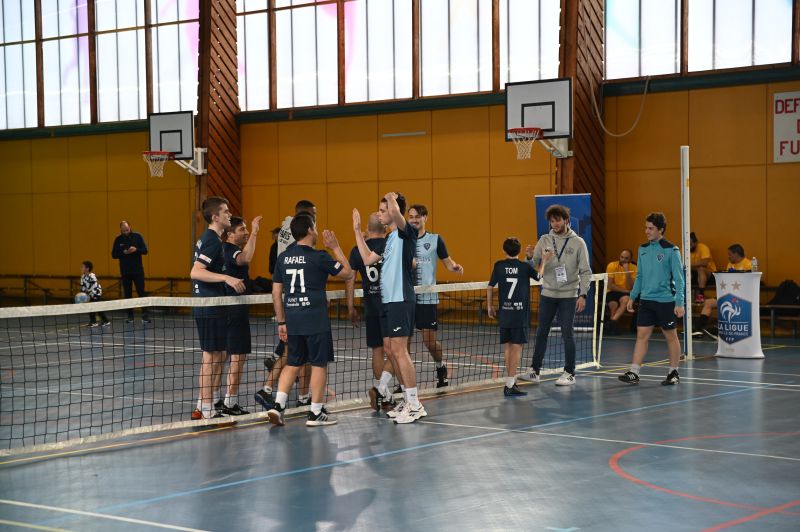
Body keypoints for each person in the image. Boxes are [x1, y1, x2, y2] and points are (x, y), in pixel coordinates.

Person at [266, 214, 353, 427]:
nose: (316, 231)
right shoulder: (319, 256)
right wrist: (336, 246)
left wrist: (281, 322)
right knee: (318, 364)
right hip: (315, 319)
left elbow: (276, 293)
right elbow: (348, 273)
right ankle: (315, 413)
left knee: (293, 362)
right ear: (309, 230)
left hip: (293, 319)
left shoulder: (283, 258)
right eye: (314, 227)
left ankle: (278, 405)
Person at [352, 192, 424, 424]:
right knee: (391, 351)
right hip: (388, 301)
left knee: (400, 351)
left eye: (382, 210)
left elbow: (399, 215)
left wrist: (392, 198)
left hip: (401, 298)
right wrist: (356, 230)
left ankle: (414, 404)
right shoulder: (389, 240)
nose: (379, 213)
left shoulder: (405, 233)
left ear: (393, 212)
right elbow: (366, 259)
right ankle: (406, 399)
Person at [520, 204, 591, 387]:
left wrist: (582, 295)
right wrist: (529, 256)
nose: (555, 224)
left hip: (568, 295)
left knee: (567, 333)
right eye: (552, 221)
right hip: (548, 293)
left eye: (558, 220)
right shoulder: (544, 240)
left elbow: (585, 271)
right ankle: (535, 371)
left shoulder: (578, 243)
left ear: (566, 220)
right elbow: (534, 265)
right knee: (542, 332)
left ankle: (569, 372)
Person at [256, 201, 317, 410]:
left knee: (292, 352)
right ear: (307, 217)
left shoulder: (285, 227)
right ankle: (268, 389)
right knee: (293, 353)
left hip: (286, 293)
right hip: (296, 298)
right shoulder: (298, 237)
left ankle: (297, 395)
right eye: (314, 215)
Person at [189, 197, 246, 419]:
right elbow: (196, 271)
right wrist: (227, 278)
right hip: (208, 305)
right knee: (211, 357)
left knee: (219, 354)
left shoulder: (211, 239)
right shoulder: (212, 240)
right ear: (215, 217)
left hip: (214, 304)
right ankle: (205, 408)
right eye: (225, 211)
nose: (229, 214)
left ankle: (206, 403)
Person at [618, 212, 685, 386]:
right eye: (645, 228)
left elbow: (679, 279)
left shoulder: (672, 250)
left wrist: (679, 302)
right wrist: (632, 296)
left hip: (666, 301)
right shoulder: (643, 249)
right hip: (646, 301)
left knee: (670, 336)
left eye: (650, 228)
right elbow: (639, 276)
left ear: (660, 230)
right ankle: (634, 372)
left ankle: (673, 372)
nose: (646, 231)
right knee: (642, 335)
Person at [407, 204, 464, 388]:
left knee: (429, 342)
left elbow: (447, 262)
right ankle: (403, 382)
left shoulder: (435, 239)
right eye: (411, 217)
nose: (414, 220)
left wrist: (454, 267)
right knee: (403, 343)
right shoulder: (403, 240)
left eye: (417, 216)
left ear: (425, 218)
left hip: (427, 297)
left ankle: (440, 367)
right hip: (407, 296)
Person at [346, 212, 395, 411]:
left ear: (367, 228)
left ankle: (384, 394)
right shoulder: (391, 244)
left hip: (370, 305)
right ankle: (382, 389)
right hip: (390, 304)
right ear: (385, 227)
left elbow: (350, 278)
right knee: (399, 349)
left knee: (377, 350)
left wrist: (350, 305)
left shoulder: (357, 250)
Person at [487, 238, 543, 397]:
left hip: (504, 312)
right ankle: (510, 384)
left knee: (508, 347)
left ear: (503, 251)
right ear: (519, 252)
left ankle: (510, 381)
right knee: (516, 347)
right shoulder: (524, 267)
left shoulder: (498, 265)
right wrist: (543, 260)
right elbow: (539, 276)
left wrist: (490, 306)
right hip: (519, 314)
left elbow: (490, 287)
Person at [218, 214, 262, 416]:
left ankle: (218, 400)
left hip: (227, 308)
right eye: (241, 230)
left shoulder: (222, 250)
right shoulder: (232, 251)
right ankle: (229, 403)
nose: (245, 233)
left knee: (224, 356)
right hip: (235, 310)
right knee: (238, 356)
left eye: (246, 229)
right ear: (229, 235)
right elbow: (246, 258)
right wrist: (254, 233)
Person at [692, 244, 751, 340]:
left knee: (727, 305)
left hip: (741, 297)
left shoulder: (748, 264)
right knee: (708, 302)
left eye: (730, 254)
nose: (728, 257)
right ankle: (698, 330)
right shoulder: (730, 264)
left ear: (736, 254)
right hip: (729, 295)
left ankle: (719, 330)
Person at [111, 221, 150, 323]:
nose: (126, 232)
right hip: (125, 271)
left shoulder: (137, 237)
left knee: (141, 291)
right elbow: (114, 255)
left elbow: (145, 250)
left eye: (127, 230)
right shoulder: (118, 240)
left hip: (138, 271)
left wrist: (136, 249)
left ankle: (145, 314)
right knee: (127, 294)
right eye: (123, 230)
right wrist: (123, 252)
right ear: (121, 230)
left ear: (130, 227)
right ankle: (130, 316)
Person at [605, 249, 637, 334]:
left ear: (630, 259)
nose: (623, 259)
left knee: (625, 301)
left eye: (626, 258)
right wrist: (624, 290)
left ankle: (611, 325)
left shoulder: (634, 268)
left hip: (625, 293)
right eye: (622, 257)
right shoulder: (611, 265)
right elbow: (610, 285)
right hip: (612, 291)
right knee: (613, 305)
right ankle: (612, 325)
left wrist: (627, 272)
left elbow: (630, 287)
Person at [79, 260, 110, 328]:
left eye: (82, 267)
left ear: (87, 268)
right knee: (92, 308)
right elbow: (83, 288)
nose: (81, 268)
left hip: (96, 294)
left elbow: (94, 287)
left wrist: (91, 295)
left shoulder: (92, 276)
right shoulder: (82, 277)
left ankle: (105, 321)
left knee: (96, 307)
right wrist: (82, 295)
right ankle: (94, 322)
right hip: (89, 295)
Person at [690, 232, 717, 303]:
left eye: (691, 244)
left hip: (710, 275)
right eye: (688, 244)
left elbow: (704, 263)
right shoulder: (684, 250)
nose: (689, 246)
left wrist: (690, 265)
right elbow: (682, 265)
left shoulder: (703, 248)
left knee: (701, 269)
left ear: (696, 242)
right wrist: (694, 265)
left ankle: (701, 294)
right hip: (694, 275)